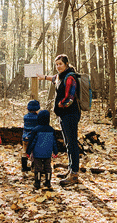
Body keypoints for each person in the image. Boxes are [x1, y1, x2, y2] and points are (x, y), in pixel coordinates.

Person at [37, 53, 81, 186]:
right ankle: (71, 169)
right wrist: (43, 77)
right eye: (56, 64)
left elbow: (70, 99)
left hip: (70, 114)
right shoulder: (60, 76)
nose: (58, 67)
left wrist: (60, 105)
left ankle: (74, 174)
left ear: (66, 64)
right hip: (64, 115)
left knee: (72, 143)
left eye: (60, 64)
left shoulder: (70, 78)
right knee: (67, 143)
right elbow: (53, 78)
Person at [25, 109, 58, 190]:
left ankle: (37, 183)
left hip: (37, 153)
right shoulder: (51, 130)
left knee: (38, 168)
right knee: (48, 167)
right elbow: (54, 142)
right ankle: (48, 182)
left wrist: (28, 152)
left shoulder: (35, 130)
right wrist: (56, 151)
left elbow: (32, 142)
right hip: (47, 153)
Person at [21, 100, 40, 172]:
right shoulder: (38, 117)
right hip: (34, 138)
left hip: (25, 137)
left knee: (24, 151)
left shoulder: (25, 117)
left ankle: (24, 167)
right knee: (34, 152)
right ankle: (33, 166)